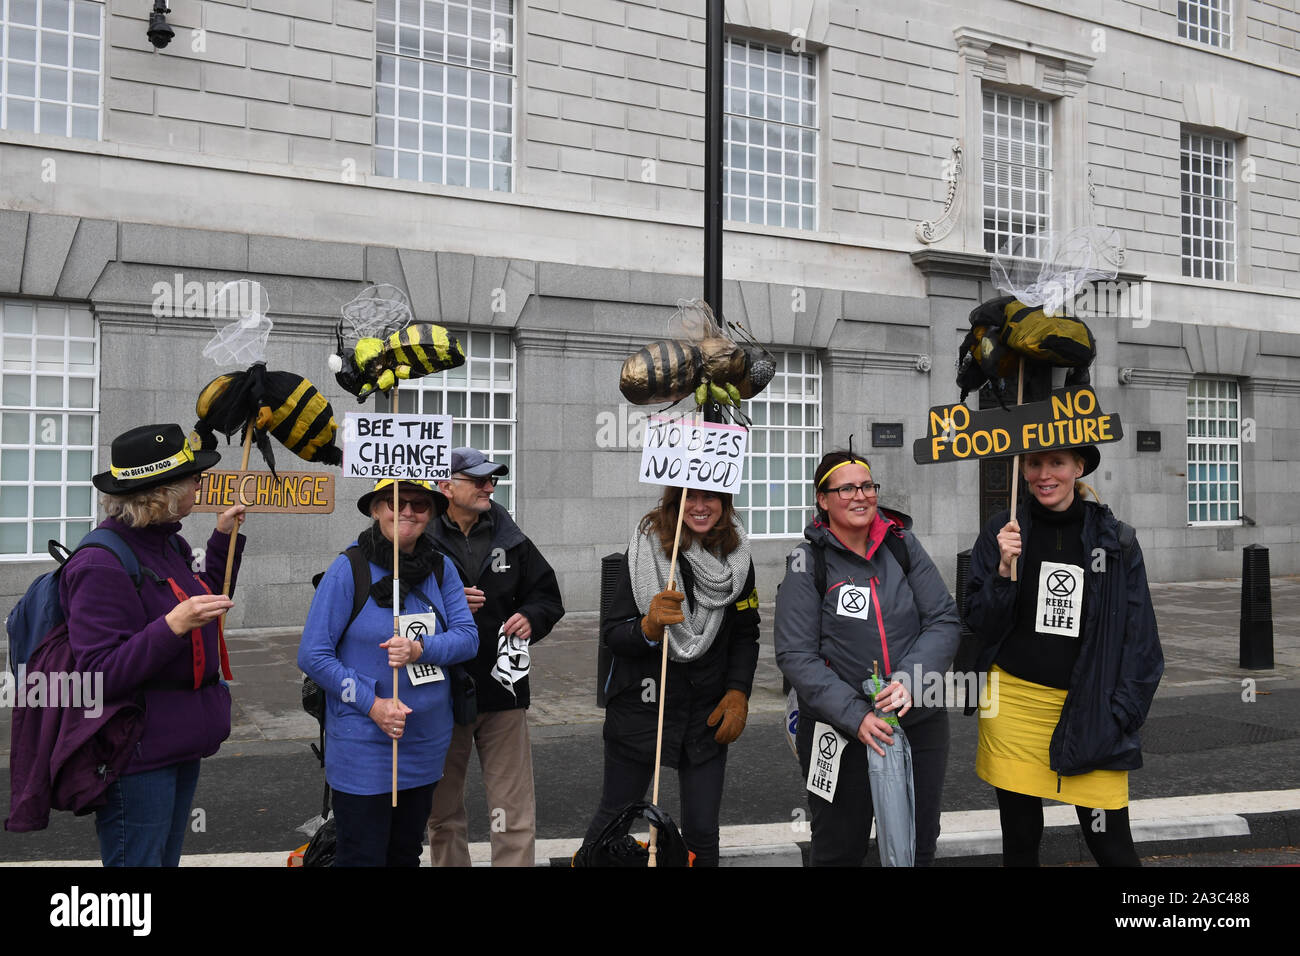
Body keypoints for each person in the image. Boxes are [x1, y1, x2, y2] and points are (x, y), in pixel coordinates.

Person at [56, 423, 246, 867]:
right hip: (137, 757)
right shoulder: (100, 563)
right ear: (163, 491)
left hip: (180, 741)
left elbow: (202, 602)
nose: (202, 483)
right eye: (194, 478)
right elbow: (99, 675)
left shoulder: (168, 543)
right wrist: (171, 626)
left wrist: (222, 539)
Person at [965, 445, 1163, 867]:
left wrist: (1122, 714)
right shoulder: (1004, 528)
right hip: (1013, 708)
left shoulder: (1115, 539)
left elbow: (1141, 638)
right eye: (1034, 463)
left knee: (1111, 844)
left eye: (1057, 462)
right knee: (1020, 838)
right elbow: (980, 621)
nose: (1044, 474)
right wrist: (1003, 569)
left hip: (1090, 711)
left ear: (1079, 467)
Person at [775, 449, 960, 866]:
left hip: (917, 720)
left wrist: (910, 680)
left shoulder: (903, 546)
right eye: (846, 488)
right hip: (839, 731)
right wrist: (856, 716)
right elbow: (796, 654)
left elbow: (943, 620)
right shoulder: (808, 562)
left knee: (916, 845)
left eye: (867, 486)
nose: (860, 496)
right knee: (838, 849)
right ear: (822, 500)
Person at [298, 478, 477, 867]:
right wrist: (372, 705)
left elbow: (467, 638)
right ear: (376, 509)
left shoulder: (442, 567)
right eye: (396, 502)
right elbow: (313, 655)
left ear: (431, 515)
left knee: (404, 855)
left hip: (425, 742)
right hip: (363, 744)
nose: (408, 511)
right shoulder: (349, 568)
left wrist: (420, 648)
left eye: (419, 504)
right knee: (361, 856)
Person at [577, 485, 759, 867]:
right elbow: (613, 633)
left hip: (706, 714)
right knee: (613, 823)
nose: (700, 506)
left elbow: (746, 632)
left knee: (703, 832)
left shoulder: (738, 557)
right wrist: (647, 627)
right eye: (689, 498)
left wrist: (738, 691)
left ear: (724, 505)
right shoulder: (645, 550)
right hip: (642, 710)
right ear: (674, 504)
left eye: (710, 498)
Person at [425, 447, 565, 867]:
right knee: (443, 811)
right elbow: (393, 613)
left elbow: (546, 596)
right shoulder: (419, 539)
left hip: (503, 690)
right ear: (446, 487)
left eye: (493, 479)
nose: (490, 486)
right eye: (479, 480)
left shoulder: (511, 536)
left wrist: (531, 616)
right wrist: (444, 606)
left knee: (512, 813)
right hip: (439, 692)